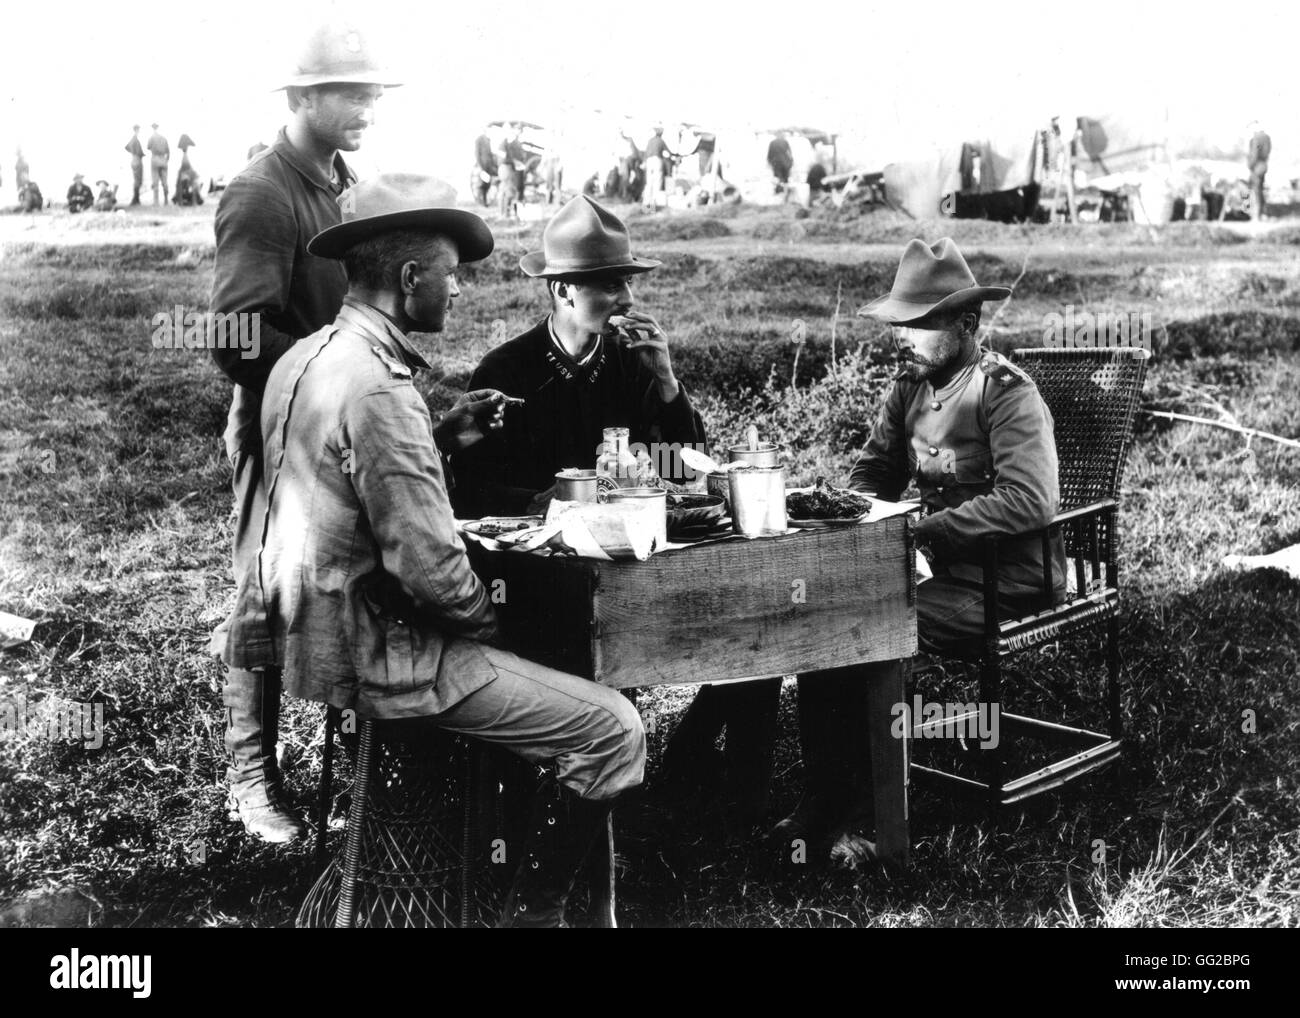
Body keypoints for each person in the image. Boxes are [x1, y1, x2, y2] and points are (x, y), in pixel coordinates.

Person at [250, 173, 645, 928]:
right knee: (614, 729)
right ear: (409, 279)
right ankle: (531, 915)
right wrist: (498, 627)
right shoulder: (379, 389)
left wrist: (434, 439)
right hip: (387, 655)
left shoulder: (307, 360)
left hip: (316, 638)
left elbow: (341, 485)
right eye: (449, 275)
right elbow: (431, 572)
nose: (457, 292)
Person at [774, 237, 1065, 860]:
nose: (906, 337)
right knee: (822, 621)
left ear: (967, 322)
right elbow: (872, 474)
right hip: (939, 574)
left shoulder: (1005, 393)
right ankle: (827, 798)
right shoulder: (910, 387)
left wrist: (919, 531)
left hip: (1007, 580)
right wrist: (846, 510)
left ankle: (879, 825)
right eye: (902, 323)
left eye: (922, 324)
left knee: (867, 629)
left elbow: (1030, 501)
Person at [209, 21, 400, 844]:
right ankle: (251, 778)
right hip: (280, 423)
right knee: (267, 591)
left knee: (346, 582)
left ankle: (350, 774)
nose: (366, 108)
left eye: (372, 93)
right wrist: (333, 375)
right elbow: (235, 336)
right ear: (301, 98)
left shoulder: (347, 187)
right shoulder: (264, 192)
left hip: (338, 425)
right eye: (350, 93)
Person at [451, 194, 704, 518]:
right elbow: (469, 491)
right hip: (532, 558)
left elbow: (683, 471)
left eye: (628, 282)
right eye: (611, 285)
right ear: (563, 291)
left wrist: (667, 383)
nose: (628, 299)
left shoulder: (630, 362)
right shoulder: (504, 370)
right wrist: (538, 503)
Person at [642, 125, 673, 213]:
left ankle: (645, 207)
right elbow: (668, 152)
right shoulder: (661, 141)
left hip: (649, 161)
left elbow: (646, 153)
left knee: (649, 184)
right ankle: (652, 208)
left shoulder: (650, 141)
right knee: (656, 184)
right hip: (657, 160)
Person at [1247, 121, 1271, 221]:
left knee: (1255, 191)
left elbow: (1254, 154)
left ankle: (1256, 215)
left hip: (1257, 167)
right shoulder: (1266, 137)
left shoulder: (1256, 138)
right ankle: (1262, 214)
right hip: (1263, 166)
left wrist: (1250, 165)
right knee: (1259, 190)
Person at [173, 134, 202, 206]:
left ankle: (178, 199)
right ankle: (195, 200)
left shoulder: (184, 153)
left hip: (185, 175)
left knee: (180, 182)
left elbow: (185, 165)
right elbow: (187, 165)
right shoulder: (187, 153)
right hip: (188, 175)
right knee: (193, 181)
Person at [473, 125, 497, 207]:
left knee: (487, 185)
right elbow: (477, 154)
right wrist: (480, 167)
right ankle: (481, 202)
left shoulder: (488, 140)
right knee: (481, 185)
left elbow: (489, 154)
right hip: (482, 165)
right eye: (487, 129)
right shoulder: (479, 139)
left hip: (488, 166)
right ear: (484, 130)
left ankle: (484, 201)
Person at [146, 124, 169, 205]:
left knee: (155, 181)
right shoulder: (164, 138)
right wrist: (166, 160)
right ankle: (166, 200)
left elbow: (148, 147)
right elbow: (168, 151)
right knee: (165, 181)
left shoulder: (151, 138)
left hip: (155, 159)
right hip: (163, 159)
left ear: (153, 128)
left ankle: (156, 202)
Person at [125, 126, 144, 205]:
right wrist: (136, 154)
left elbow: (127, 147)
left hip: (134, 159)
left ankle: (136, 199)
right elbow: (128, 148)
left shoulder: (133, 139)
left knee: (137, 180)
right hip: (136, 159)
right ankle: (135, 199)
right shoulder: (135, 139)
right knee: (138, 181)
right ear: (136, 130)